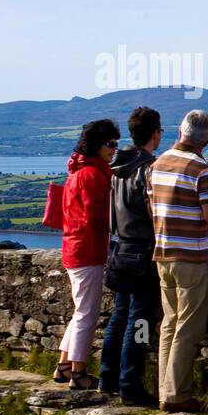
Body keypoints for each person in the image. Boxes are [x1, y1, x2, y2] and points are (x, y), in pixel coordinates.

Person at [149, 110, 208, 412]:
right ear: (206, 140)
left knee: (169, 324)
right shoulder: (201, 170)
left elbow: (151, 206)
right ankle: (177, 395)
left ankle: (164, 391)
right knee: (188, 327)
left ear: (179, 132)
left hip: (163, 253)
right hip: (192, 258)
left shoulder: (157, 164)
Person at [98, 107, 163, 406]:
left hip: (118, 248)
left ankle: (106, 378)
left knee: (119, 316)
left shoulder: (116, 166)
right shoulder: (149, 168)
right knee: (139, 321)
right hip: (142, 250)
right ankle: (130, 385)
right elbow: (155, 213)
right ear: (155, 133)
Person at [54, 119, 120, 389]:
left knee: (80, 311)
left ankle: (64, 365)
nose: (114, 150)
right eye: (110, 145)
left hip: (75, 248)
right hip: (87, 250)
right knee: (87, 314)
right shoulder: (91, 174)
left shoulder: (78, 171)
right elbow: (96, 215)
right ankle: (78, 373)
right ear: (97, 145)